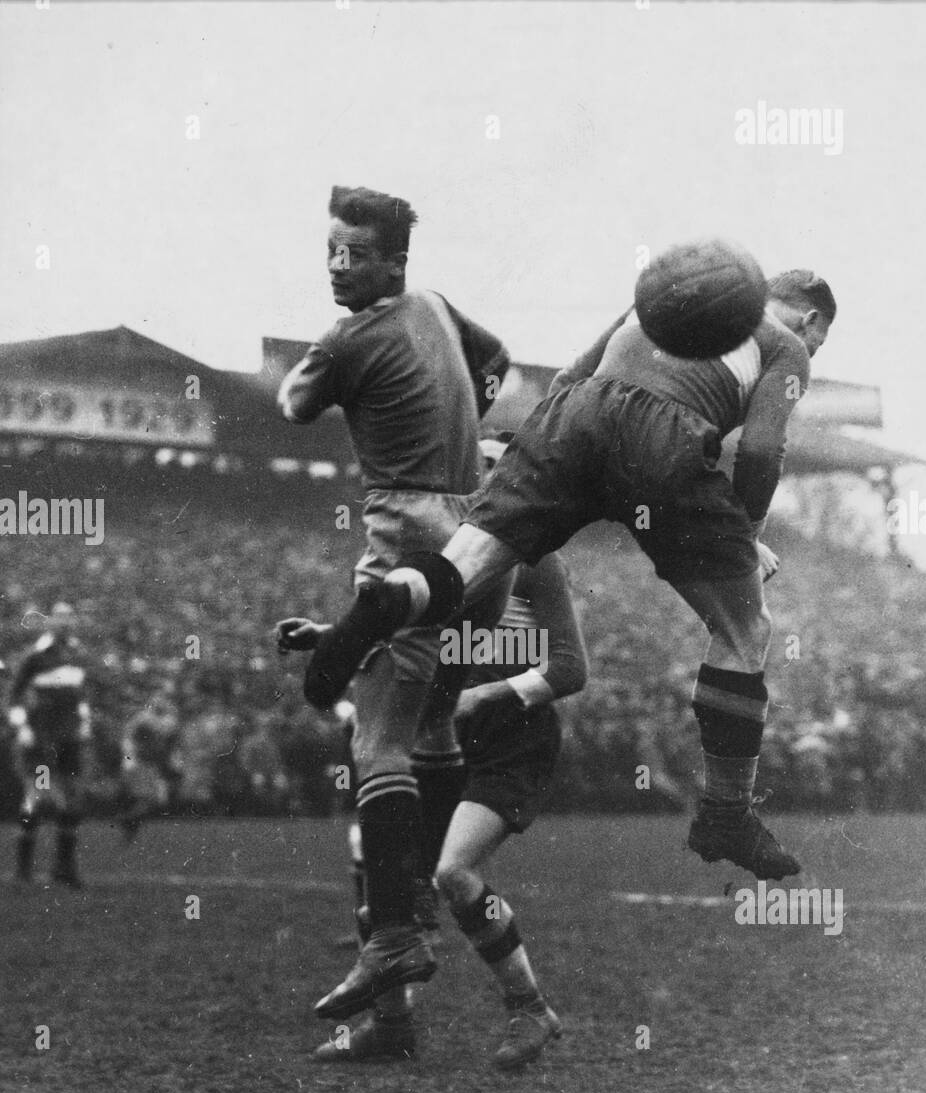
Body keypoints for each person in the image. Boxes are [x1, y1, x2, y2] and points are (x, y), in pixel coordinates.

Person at [298, 267, 837, 1021]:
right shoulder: (788, 348)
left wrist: (540, 454)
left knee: (462, 567)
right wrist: (742, 537)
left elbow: (578, 371)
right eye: (821, 333)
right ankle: (724, 811)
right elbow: (760, 454)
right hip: (660, 436)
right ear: (809, 318)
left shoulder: (663, 298)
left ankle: (384, 602)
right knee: (745, 629)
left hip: (569, 419)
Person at [275, 184, 512, 1023]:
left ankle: (395, 935)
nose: (340, 267)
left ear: (393, 260)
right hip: (480, 538)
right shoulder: (439, 304)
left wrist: (343, 358)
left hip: (407, 530)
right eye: (331, 251)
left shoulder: (347, 335)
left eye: (356, 253)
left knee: (375, 740)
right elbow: (498, 357)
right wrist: (455, 410)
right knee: (431, 724)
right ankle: (413, 902)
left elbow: (293, 406)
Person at [315, 546, 588, 1069]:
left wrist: (483, 696)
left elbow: (572, 669)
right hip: (441, 729)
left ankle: (529, 1007)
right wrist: (329, 638)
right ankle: (392, 1026)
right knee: (390, 883)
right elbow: (404, 628)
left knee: (454, 873)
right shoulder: (449, 550)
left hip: (513, 735)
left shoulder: (533, 558)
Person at [8, 602, 91, 888]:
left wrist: (84, 718)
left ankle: (63, 868)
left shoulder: (78, 654)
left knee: (72, 801)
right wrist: (21, 725)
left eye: (69, 617)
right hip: (41, 738)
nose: (65, 623)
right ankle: (23, 870)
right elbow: (15, 695)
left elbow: (79, 694)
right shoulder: (36, 656)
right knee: (37, 798)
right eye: (59, 618)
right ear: (49, 622)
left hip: (69, 738)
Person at [119, 689, 182, 842]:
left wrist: (173, 760)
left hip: (156, 764)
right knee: (151, 798)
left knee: (158, 799)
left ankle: (130, 821)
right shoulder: (142, 719)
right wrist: (129, 758)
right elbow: (128, 738)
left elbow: (170, 743)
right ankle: (129, 821)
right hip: (143, 762)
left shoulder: (169, 720)